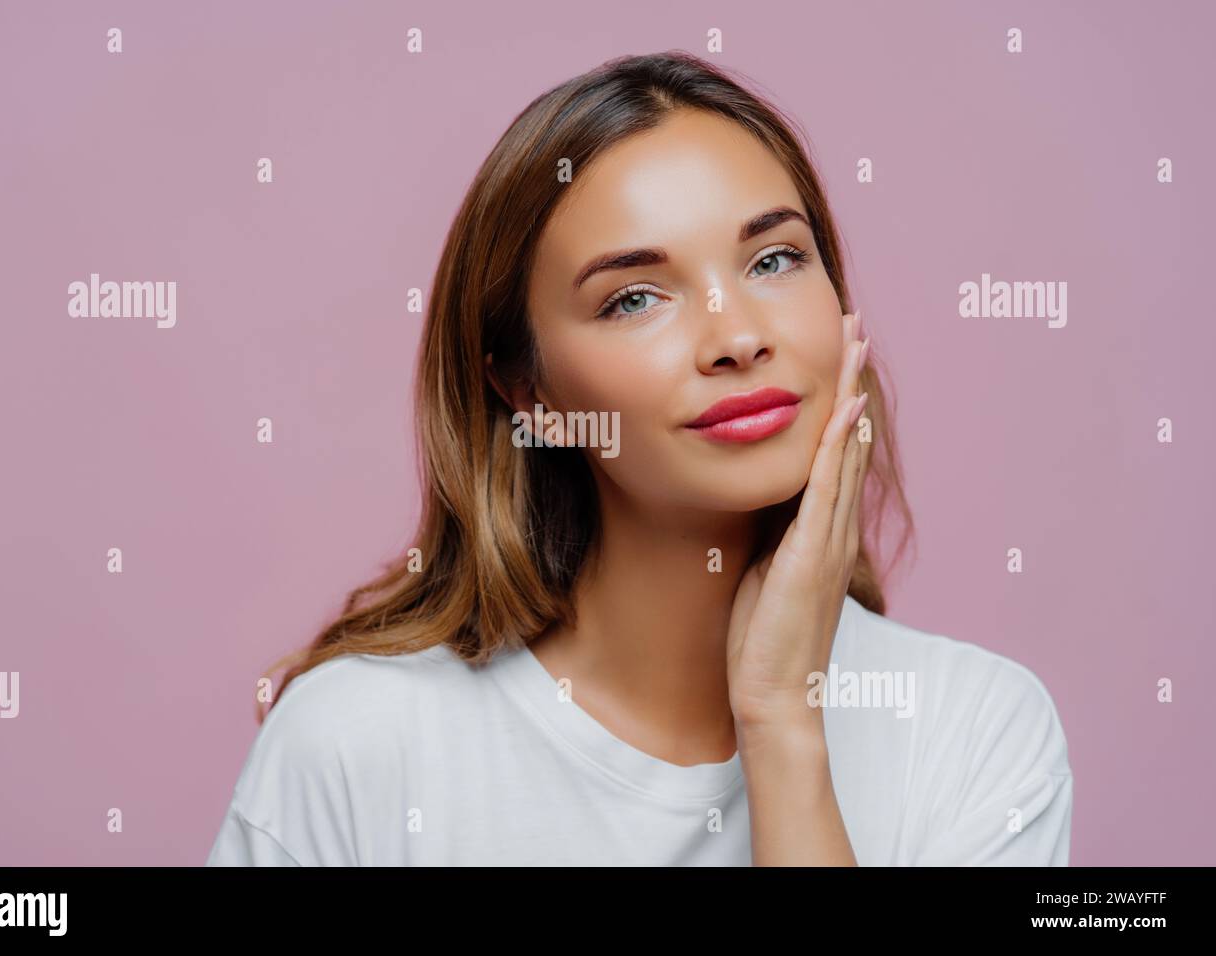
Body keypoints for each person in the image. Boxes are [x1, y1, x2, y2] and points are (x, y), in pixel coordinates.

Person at [206, 51, 1072, 866]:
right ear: (527, 392)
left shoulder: (976, 729)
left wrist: (782, 726)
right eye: (633, 298)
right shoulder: (357, 744)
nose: (737, 337)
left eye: (775, 258)